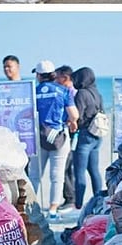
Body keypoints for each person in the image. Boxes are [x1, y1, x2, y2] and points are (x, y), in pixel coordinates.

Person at [34, 60, 78, 219]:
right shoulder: (63, 91)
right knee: (57, 175)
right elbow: (74, 115)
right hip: (58, 136)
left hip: (38, 136)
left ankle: (31, 207)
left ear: (39, 75)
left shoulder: (33, 91)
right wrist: (71, 122)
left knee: (35, 174)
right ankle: (53, 209)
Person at [71, 66, 104, 210]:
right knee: (94, 171)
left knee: (79, 172)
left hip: (84, 135)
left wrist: (72, 127)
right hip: (97, 135)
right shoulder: (97, 93)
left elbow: (77, 115)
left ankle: (78, 204)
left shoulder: (81, 94)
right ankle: (99, 201)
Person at [55, 64, 77, 212]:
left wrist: (71, 122)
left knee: (66, 168)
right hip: (67, 132)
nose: (55, 80)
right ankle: (69, 198)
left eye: (57, 77)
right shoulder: (66, 91)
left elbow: (75, 114)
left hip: (71, 134)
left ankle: (70, 199)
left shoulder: (71, 93)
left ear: (65, 78)